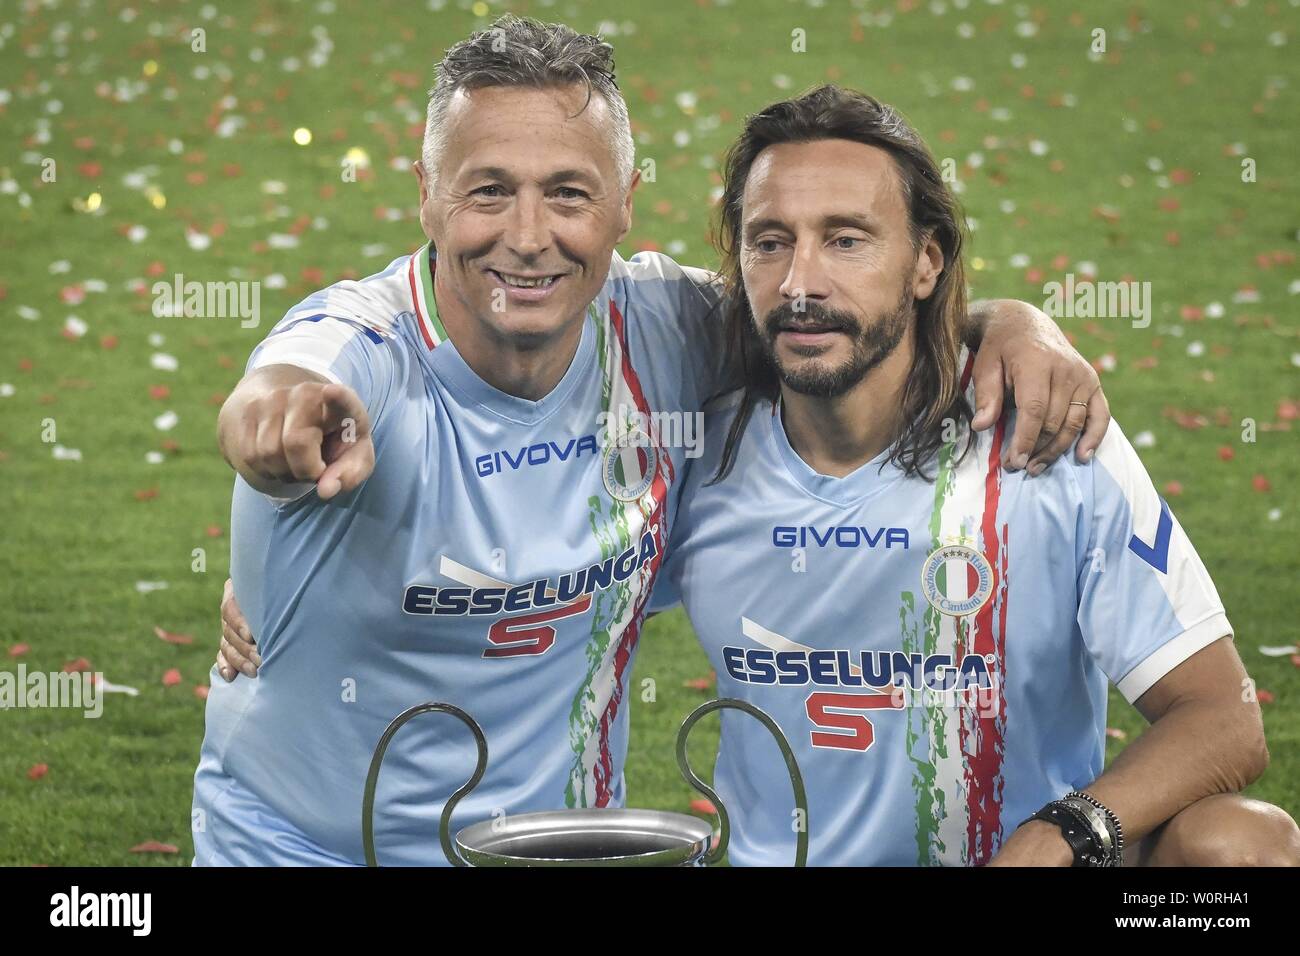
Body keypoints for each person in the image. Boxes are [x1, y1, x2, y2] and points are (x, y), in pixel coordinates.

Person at [197, 17, 1108, 866]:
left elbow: (838, 313)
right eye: (487, 191)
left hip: (558, 844)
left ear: (626, 203)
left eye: (567, 194)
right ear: (427, 197)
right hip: (297, 847)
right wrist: (277, 429)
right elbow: (277, 392)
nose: (527, 237)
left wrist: (1013, 323)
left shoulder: (666, 329)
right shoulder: (361, 347)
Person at [648, 85, 1300, 866]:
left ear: (926, 262)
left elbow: (1223, 718)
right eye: (770, 241)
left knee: (1241, 845)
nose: (800, 282)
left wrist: (1067, 828)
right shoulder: (693, 459)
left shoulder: (1045, 437)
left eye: (847, 240)